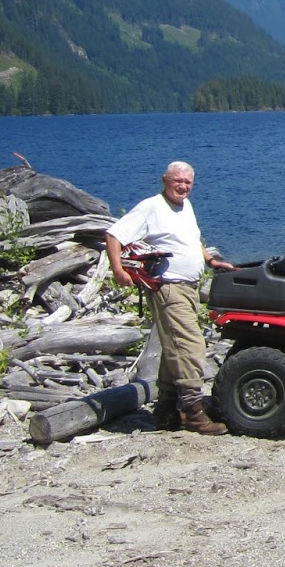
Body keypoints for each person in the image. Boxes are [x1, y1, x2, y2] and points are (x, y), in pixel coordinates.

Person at [105, 161, 235, 434]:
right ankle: (194, 413)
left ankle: (166, 411)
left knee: (172, 348)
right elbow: (114, 234)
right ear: (165, 179)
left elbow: (191, 239)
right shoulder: (151, 206)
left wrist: (210, 259)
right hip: (168, 288)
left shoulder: (185, 206)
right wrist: (118, 269)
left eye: (188, 182)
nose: (183, 186)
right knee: (191, 346)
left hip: (188, 287)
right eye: (178, 181)